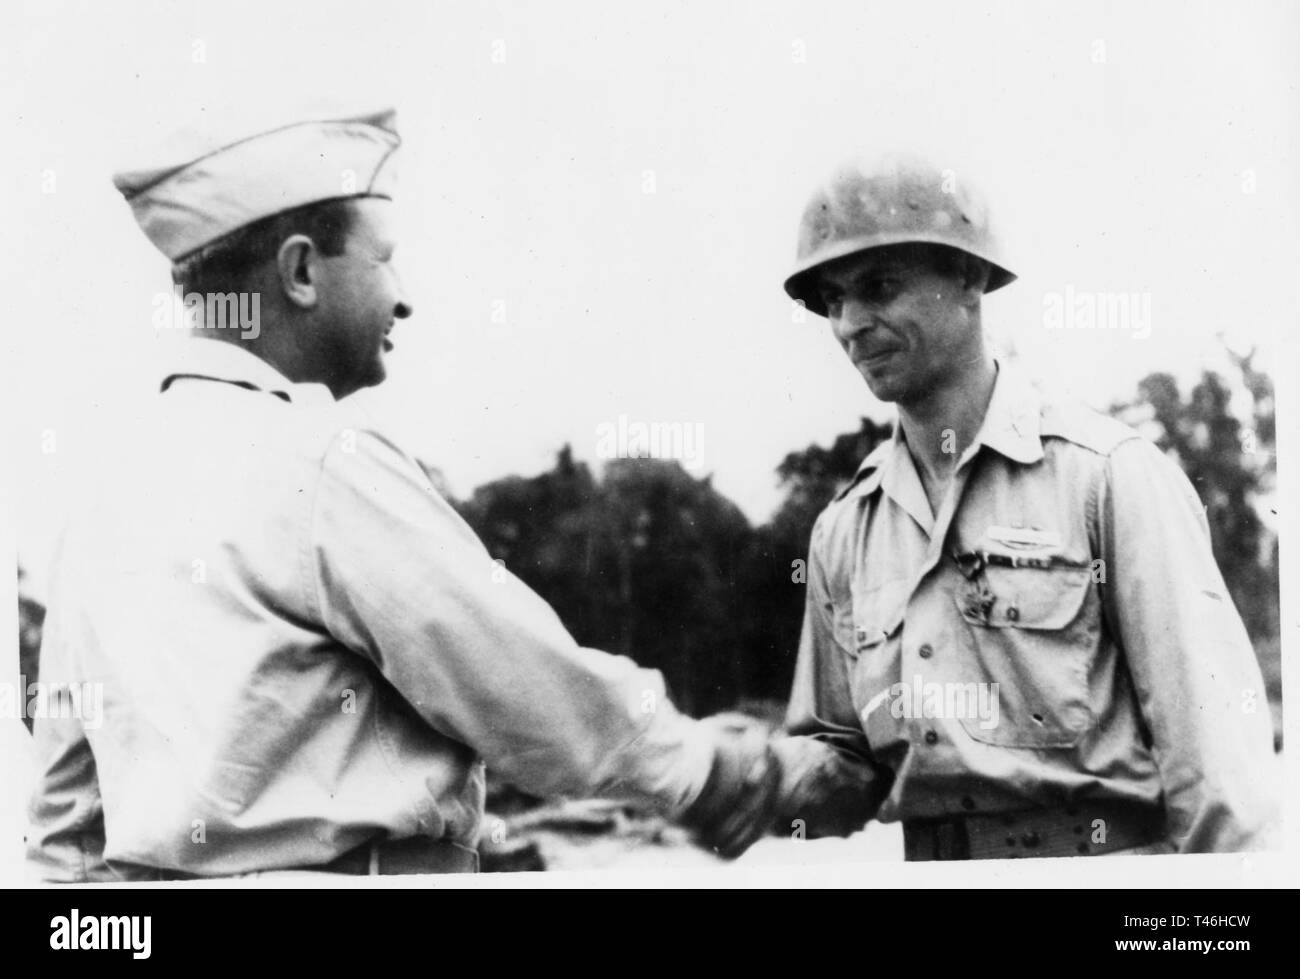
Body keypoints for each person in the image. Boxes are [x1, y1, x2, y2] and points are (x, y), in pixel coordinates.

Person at [26, 108, 778, 880]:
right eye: (385, 260)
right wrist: (708, 771)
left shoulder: (103, 499)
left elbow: (64, 823)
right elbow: (517, 680)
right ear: (300, 273)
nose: (404, 297)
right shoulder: (319, 459)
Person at [768, 151, 1280, 859]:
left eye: (879, 286)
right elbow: (843, 756)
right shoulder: (846, 531)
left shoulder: (1108, 478)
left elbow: (1220, 771)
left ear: (969, 276)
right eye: (832, 300)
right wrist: (712, 774)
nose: (851, 321)